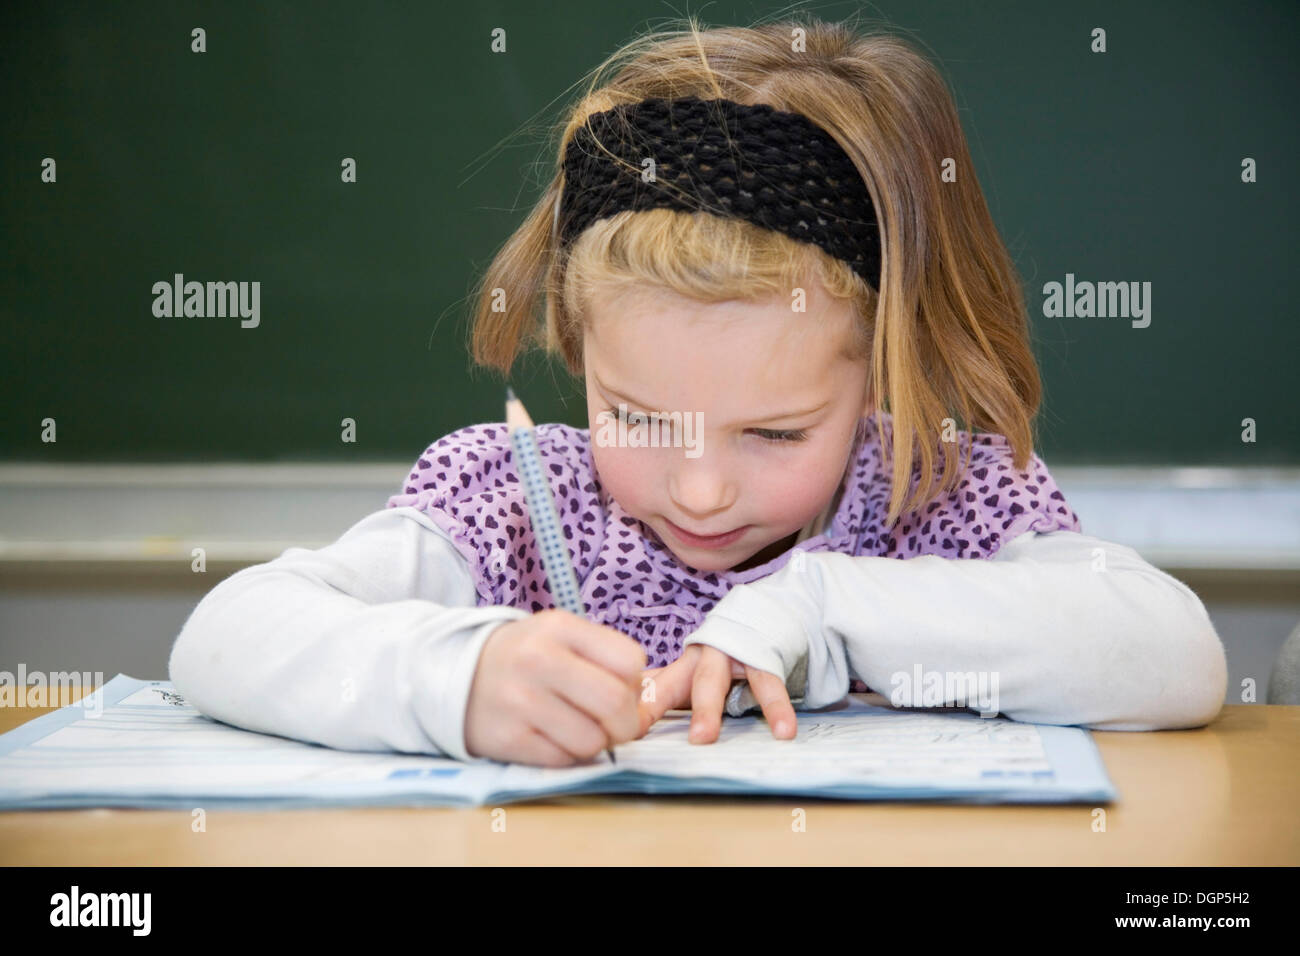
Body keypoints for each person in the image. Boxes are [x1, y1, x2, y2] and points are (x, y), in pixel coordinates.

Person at [169, 17, 1227, 767]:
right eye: (638, 417)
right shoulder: (512, 501)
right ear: (577, 350)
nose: (702, 487)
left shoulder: (929, 489)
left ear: (881, 373)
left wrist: (826, 609)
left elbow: (1173, 655)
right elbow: (224, 634)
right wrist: (459, 678)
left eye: (774, 430)